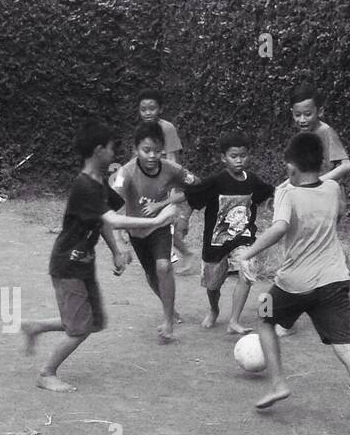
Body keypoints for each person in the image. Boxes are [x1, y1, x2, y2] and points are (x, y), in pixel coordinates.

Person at [232, 131, 350, 435]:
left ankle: (279, 383)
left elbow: (279, 228)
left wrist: (247, 252)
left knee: (263, 316)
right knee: (347, 347)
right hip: (334, 279)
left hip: (293, 284)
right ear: (320, 163)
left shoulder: (286, 192)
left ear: (290, 167)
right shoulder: (333, 188)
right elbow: (338, 216)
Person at [21, 121, 182, 391]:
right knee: (80, 328)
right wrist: (159, 220)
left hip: (83, 263)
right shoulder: (84, 186)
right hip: (67, 265)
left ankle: (35, 326)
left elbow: (104, 219)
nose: (114, 154)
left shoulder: (98, 183)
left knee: (93, 321)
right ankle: (46, 373)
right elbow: (114, 221)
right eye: (110, 149)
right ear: (98, 151)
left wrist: (118, 250)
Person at [183, 132, 275, 335]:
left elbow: (268, 193)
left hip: (242, 239)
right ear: (223, 157)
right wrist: (183, 221)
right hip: (216, 242)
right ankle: (214, 309)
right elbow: (192, 198)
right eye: (234, 156)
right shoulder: (216, 181)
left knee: (248, 271)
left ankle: (234, 320)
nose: (239, 160)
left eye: (243, 155)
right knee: (212, 285)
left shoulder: (252, 181)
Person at [113, 119, 191, 341]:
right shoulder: (125, 173)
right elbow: (109, 207)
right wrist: (118, 242)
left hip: (160, 227)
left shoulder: (172, 169)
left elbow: (195, 187)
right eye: (146, 150)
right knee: (151, 274)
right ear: (136, 149)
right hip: (136, 232)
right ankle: (170, 307)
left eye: (157, 151)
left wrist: (170, 205)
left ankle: (168, 321)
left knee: (164, 267)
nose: (152, 155)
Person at [135, 87, 196, 269]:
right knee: (158, 222)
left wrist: (172, 194)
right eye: (143, 109)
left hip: (168, 183)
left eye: (151, 108)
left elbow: (172, 161)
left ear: (160, 109)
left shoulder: (167, 128)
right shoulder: (141, 129)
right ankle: (178, 254)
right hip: (150, 182)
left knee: (167, 222)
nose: (147, 112)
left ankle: (186, 253)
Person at [289, 80, 350, 185]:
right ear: (292, 113)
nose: (302, 120)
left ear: (320, 111)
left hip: (328, 195)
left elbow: (346, 165)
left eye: (308, 114)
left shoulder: (326, 131)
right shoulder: (302, 135)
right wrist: (279, 189)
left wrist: (318, 182)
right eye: (297, 115)